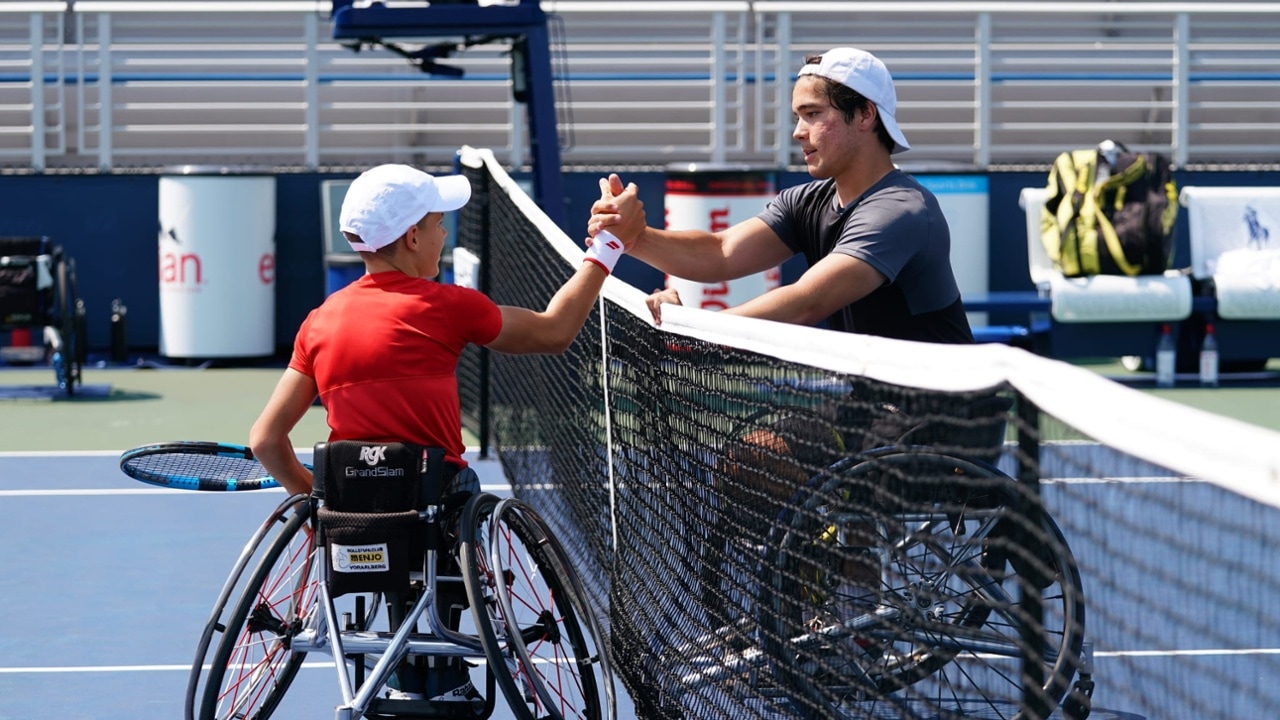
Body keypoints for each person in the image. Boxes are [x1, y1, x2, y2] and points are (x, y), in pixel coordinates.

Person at [248, 163, 625, 706]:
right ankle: (441, 669)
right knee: (456, 488)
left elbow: (265, 439)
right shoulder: (445, 306)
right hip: (436, 515)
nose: (445, 233)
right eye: (438, 222)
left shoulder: (320, 320)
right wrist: (608, 247)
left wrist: (320, 508)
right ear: (412, 236)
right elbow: (554, 331)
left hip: (352, 521)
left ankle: (406, 674)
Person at [587, 46, 974, 345]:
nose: (798, 132)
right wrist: (632, 237)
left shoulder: (900, 211)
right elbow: (720, 252)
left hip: (939, 424)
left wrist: (691, 328)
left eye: (813, 114)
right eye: (797, 117)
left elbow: (807, 301)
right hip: (869, 407)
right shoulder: (807, 201)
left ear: (864, 115)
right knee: (747, 451)